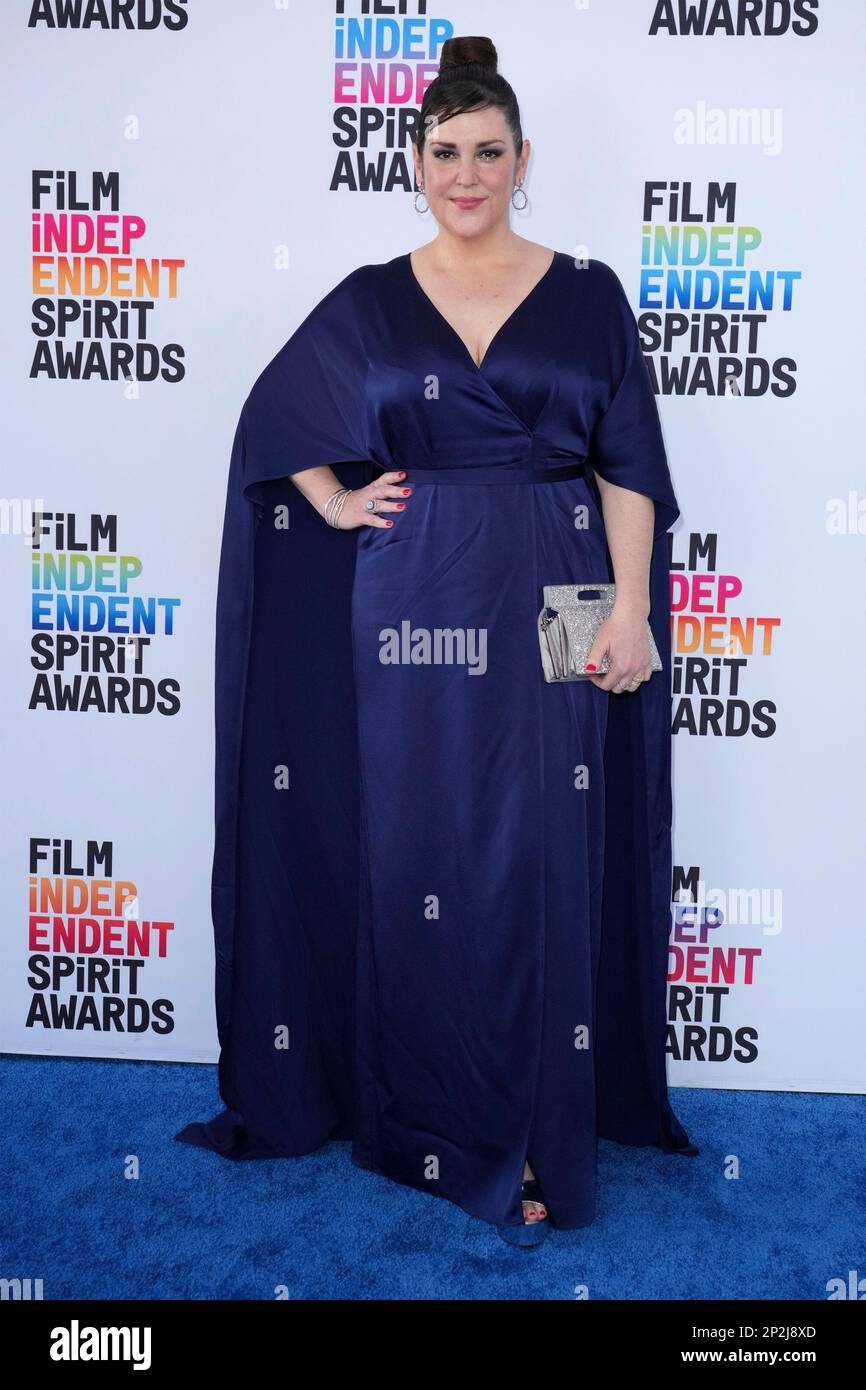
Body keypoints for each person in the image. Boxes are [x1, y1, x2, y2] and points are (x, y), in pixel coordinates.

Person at [175, 33, 698, 1247]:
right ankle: (428, 1121)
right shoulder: (369, 297)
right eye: (444, 153)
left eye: (488, 152)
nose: (466, 174)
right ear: (414, 164)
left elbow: (626, 463)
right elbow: (270, 417)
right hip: (408, 601)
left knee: (546, 850)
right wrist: (331, 498)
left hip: (565, 585)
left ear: (524, 161)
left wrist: (629, 606)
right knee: (418, 852)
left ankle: (538, 1125)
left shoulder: (588, 290)